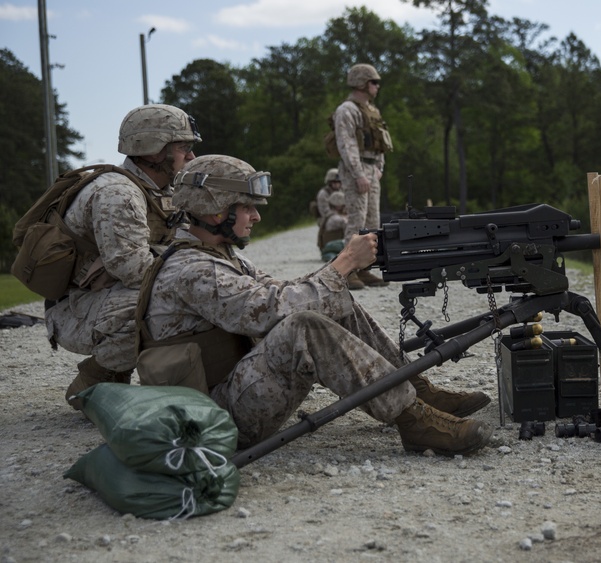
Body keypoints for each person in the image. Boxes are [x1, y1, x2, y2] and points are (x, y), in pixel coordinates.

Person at [135, 154, 492, 455]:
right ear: (214, 211)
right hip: (215, 417)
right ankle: (413, 420)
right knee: (304, 324)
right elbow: (270, 310)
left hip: (231, 391)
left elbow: (284, 289)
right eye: (245, 207)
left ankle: (417, 390)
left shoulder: (215, 255)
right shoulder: (192, 269)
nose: (256, 217)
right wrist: (343, 265)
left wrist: (337, 274)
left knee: (333, 298)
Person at [49, 104, 200, 409]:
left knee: (193, 287)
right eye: (184, 147)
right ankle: (94, 381)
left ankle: (126, 378)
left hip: (106, 297)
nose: (192, 157)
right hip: (75, 308)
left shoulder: (162, 191)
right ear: (155, 151)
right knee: (169, 299)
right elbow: (135, 269)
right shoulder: (118, 193)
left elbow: (189, 248)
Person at [332, 63, 392, 289]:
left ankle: (364, 268)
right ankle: (346, 271)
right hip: (355, 170)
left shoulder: (372, 111)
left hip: (371, 169)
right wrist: (358, 174)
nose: (377, 86)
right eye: (374, 82)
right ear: (362, 83)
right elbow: (346, 145)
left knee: (372, 222)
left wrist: (379, 168)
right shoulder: (347, 110)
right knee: (356, 221)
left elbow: (381, 143)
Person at [315, 167, 348, 261]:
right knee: (343, 222)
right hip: (328, 218)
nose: (337, 184)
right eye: (334, 182)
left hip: (341, 214)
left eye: (339, 182)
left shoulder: (341, 191)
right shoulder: (323, 194)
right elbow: (325, 212)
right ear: (329, 182)